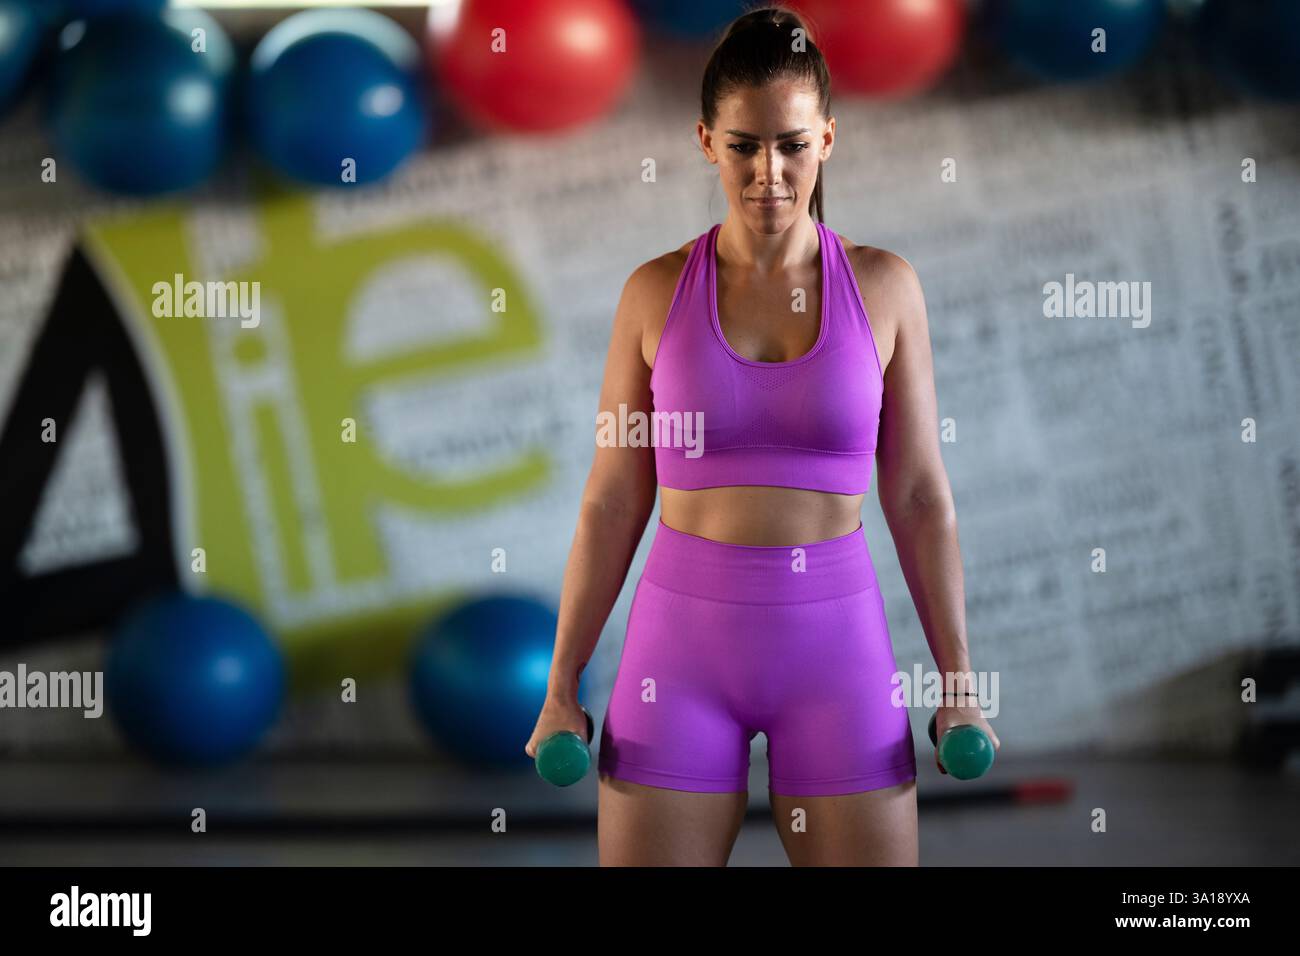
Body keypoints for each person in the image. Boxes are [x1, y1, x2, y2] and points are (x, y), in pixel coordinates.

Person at [525, 4, 998, 866]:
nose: (768, 171)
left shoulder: (888, 289)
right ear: (708, 142)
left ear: (827, 138)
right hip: (680, 655)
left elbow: (921, 495)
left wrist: (959, 680)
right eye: (743, 145)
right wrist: (563, 686)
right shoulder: (653, 291)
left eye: (790, 143)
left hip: (837, 656)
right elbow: (612, 499)